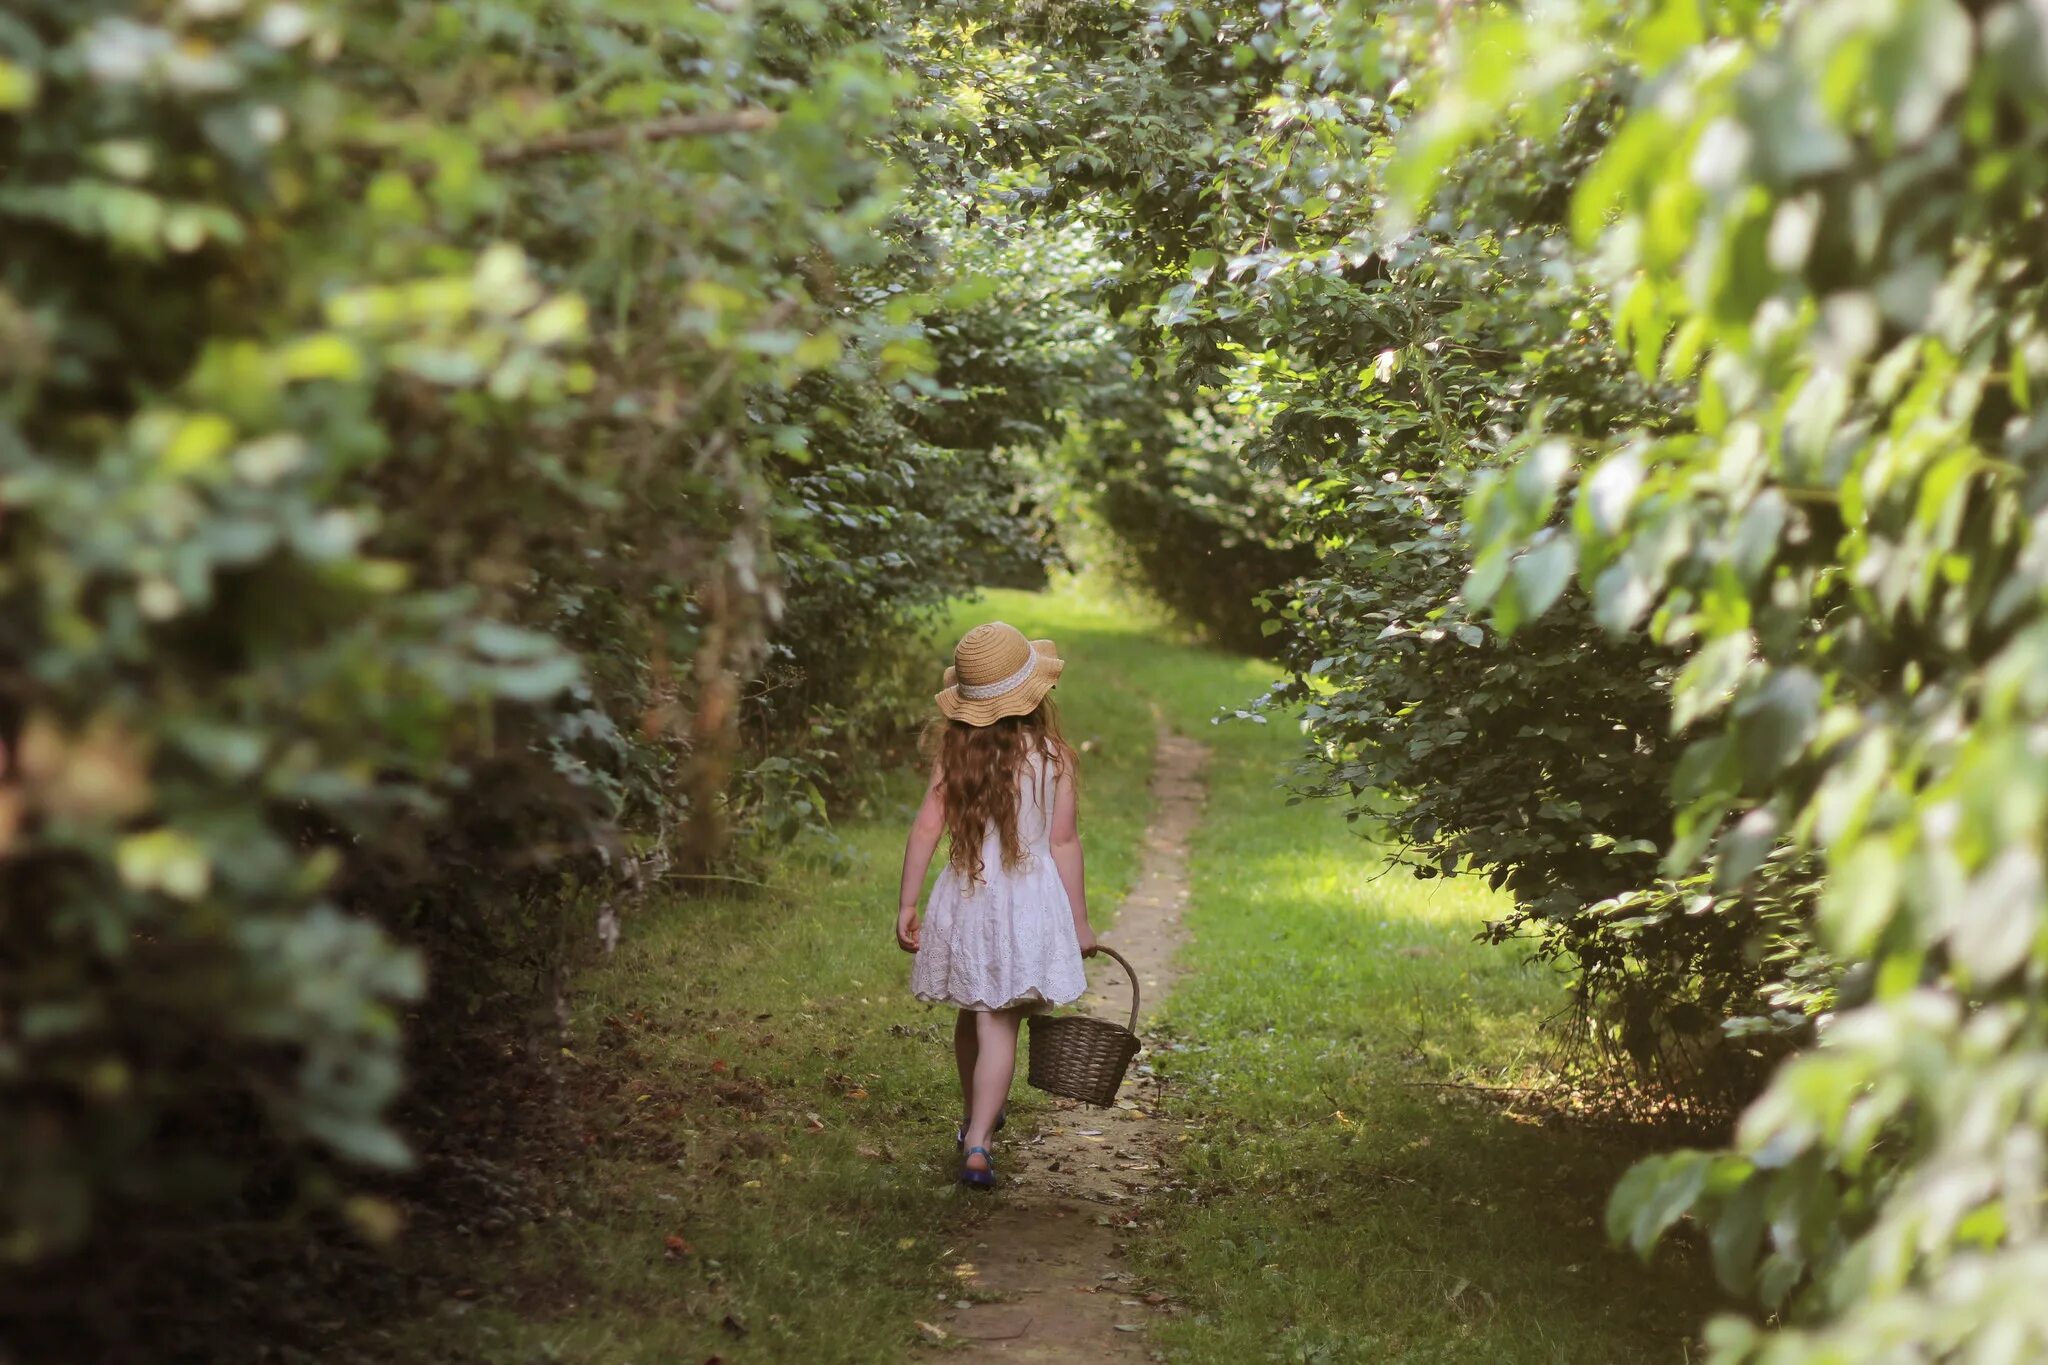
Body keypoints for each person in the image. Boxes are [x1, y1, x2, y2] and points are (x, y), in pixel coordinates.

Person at [895, 621, 1098, 1188]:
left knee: (975, 1011)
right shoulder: (1053, 757)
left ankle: (975, 1121)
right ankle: (980, 1139)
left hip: (967, 897)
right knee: (997, 1020)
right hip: (1024, 903)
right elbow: (1062, 842)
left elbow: (925, 828)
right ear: (1034, 693)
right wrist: (1079, 922)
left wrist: (907, 902)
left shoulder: (957, 752)